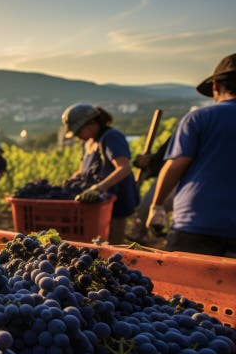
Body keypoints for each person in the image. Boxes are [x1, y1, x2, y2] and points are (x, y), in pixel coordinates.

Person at [147, 53, 236, 257]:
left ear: (216, 86)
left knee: (185, 286)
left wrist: (157, 206)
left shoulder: (199, 118)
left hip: (196, 224)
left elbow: (176, 165)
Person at [62, 103, 139, 244]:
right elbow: (82, 170)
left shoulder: (111, 137)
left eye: (79, 132)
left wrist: (98, 188)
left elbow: (124, 167)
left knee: (113, 244)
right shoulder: (88, 142)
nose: (78, 136)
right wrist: (69, 182)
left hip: (114, 201)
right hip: (95, 203)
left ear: (91, 124)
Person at [126, 136, 175, 243]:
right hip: (167, 175)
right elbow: (163, 157)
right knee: (146, 206)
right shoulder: (179, 133)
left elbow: (176, 161)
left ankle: (161, 235)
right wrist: (148, 160)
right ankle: (140, 235)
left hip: (183, 178)